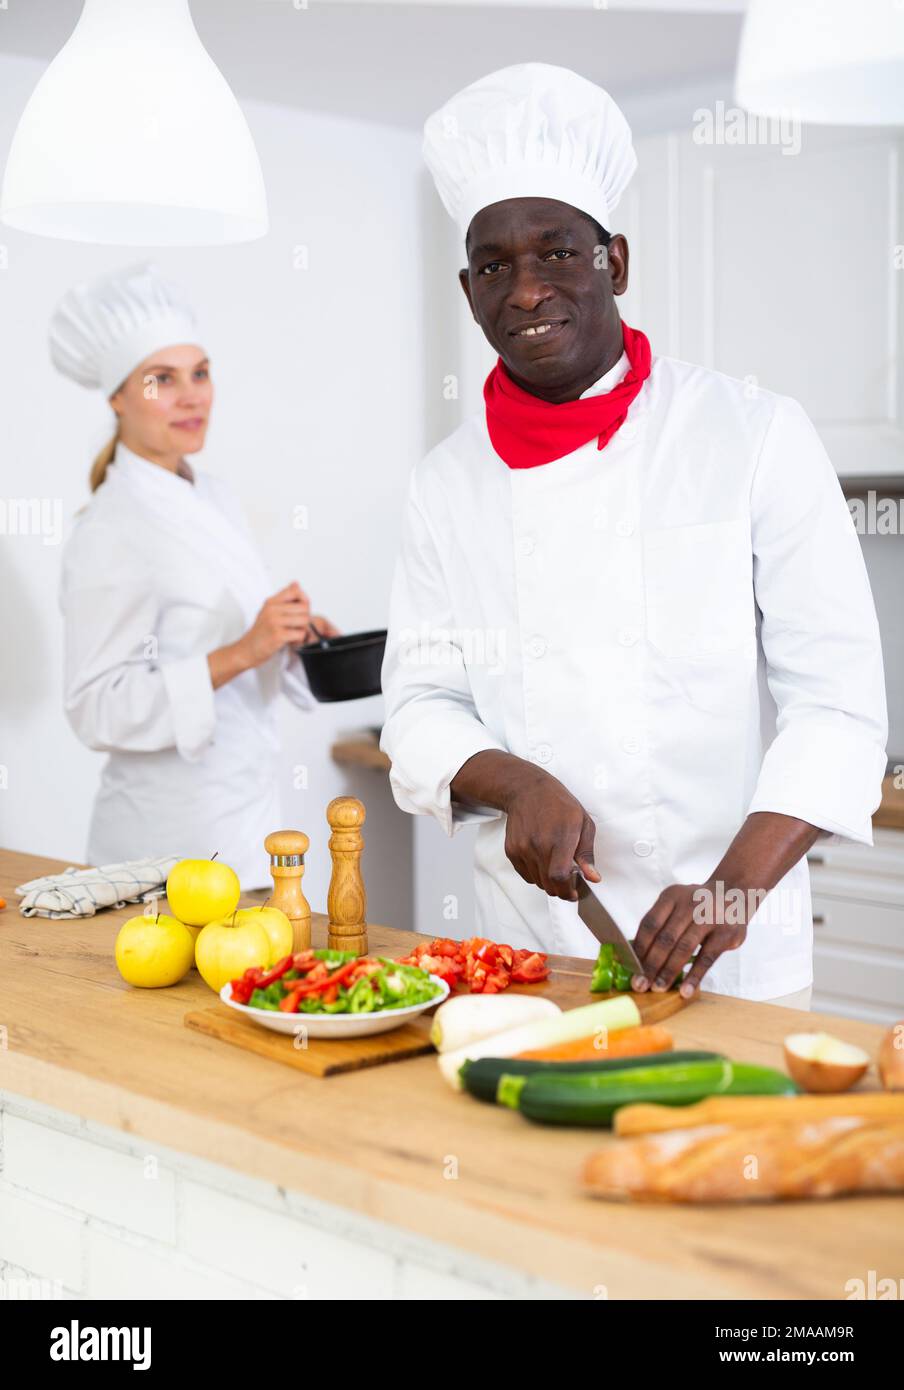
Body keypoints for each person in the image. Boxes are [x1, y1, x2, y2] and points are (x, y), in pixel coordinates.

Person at [380, 64, 887, 1005]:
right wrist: (515, 781)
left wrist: (734, 892)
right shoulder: (444, 483)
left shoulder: (751, 432)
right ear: (468, 289)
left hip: (738, 945)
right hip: (540, 944)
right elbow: (418, 704)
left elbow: (840, 705)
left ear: (614, 259)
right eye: (495, 265)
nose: (526, 290)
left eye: (556, 252)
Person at [52, 263, 337, 887]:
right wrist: (242, 650)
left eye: (200, 373)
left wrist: (290, 638)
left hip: (245, 828)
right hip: (160, 854)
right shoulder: (109, 527)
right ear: (118, 399)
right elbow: (94, 708)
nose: (192, 396)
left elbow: (224, 641)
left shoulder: (211, 496)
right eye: (162, 380)